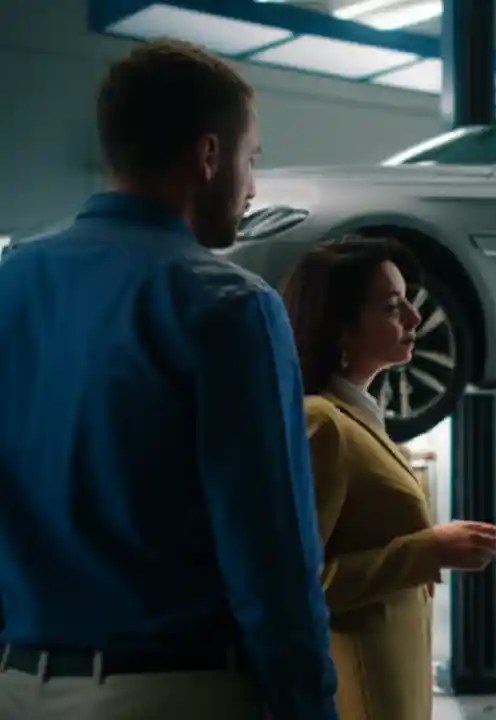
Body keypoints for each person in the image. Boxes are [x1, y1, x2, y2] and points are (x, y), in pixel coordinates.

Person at [0, 40, 337, 720]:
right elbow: (269, 555)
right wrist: (309, 706)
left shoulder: (11, 285)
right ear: (209, 156)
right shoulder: (228, 305)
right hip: (170, 690)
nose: (252, 188)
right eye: (250, 159)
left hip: (17, 683)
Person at [280, 236, 496, 720]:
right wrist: (429, 551)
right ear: (340, 327)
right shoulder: (321, 423)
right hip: (364, 688)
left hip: (395, 678)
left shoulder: (360, 420)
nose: (415, 319)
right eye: (392, 307)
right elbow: (299, 585)